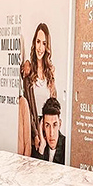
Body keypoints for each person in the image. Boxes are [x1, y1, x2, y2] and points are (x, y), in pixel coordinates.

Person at [18, 23, 57, 156]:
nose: (40, 47)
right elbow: (28, 107)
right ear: (34, 43)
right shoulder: (28, 72)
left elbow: (54, 103)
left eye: (44, 43)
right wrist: (36, 133)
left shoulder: (50, 72)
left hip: (48, 128)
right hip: (34, 130)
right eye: (38, 42)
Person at [31, 97, 65, 164]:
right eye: (47, 125)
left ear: (60, 124)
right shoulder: (38, 146)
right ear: (42, 126)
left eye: (55, 125)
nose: (51, 133)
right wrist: (41, 149)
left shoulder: (66, 147)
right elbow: (34, 172)